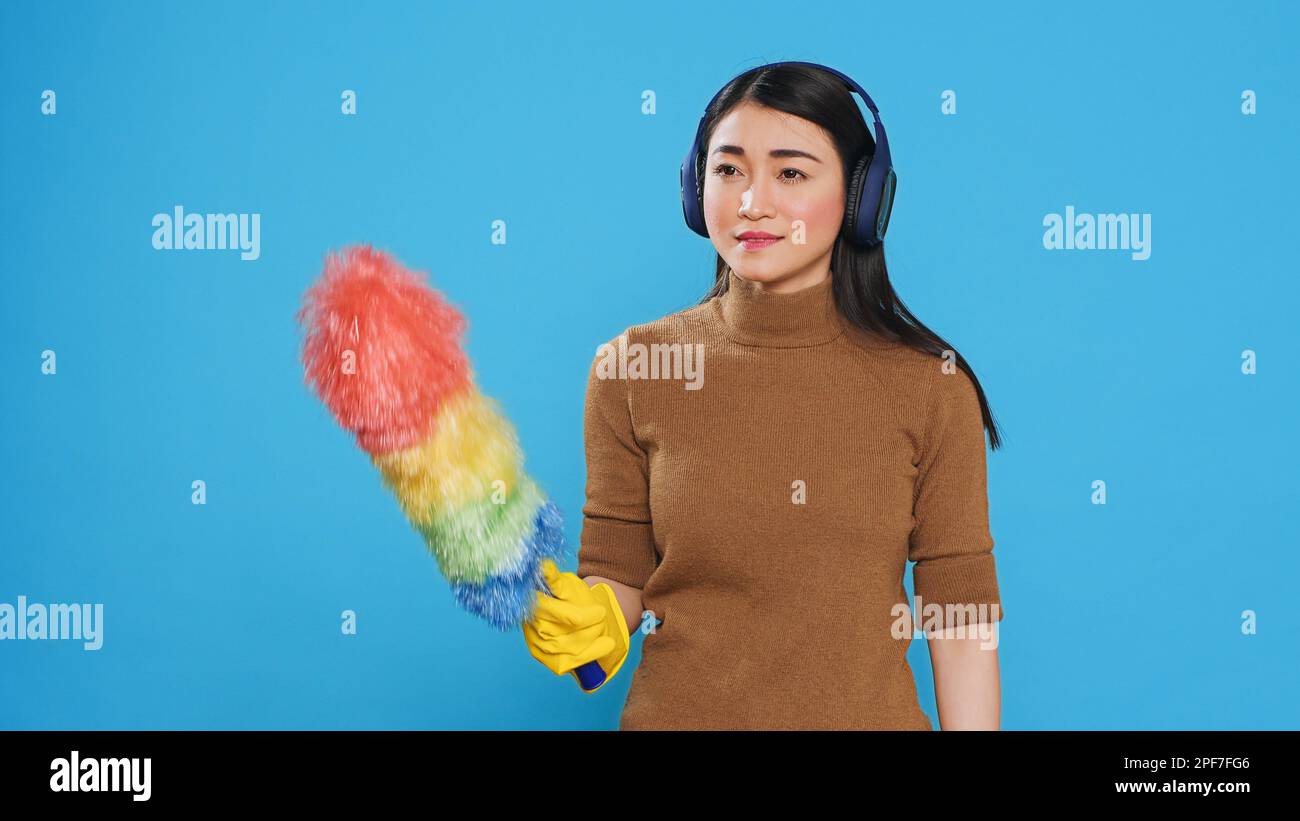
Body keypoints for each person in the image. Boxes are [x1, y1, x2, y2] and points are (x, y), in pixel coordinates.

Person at [524, 61, 1005, 730]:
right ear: (696, 189)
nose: (753, 202)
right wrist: (598, 615)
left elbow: (960, 613)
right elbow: (619, 571)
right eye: (728, 170)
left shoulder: (932, 386)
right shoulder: (632, 367)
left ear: (862, 196)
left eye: (791, 172)